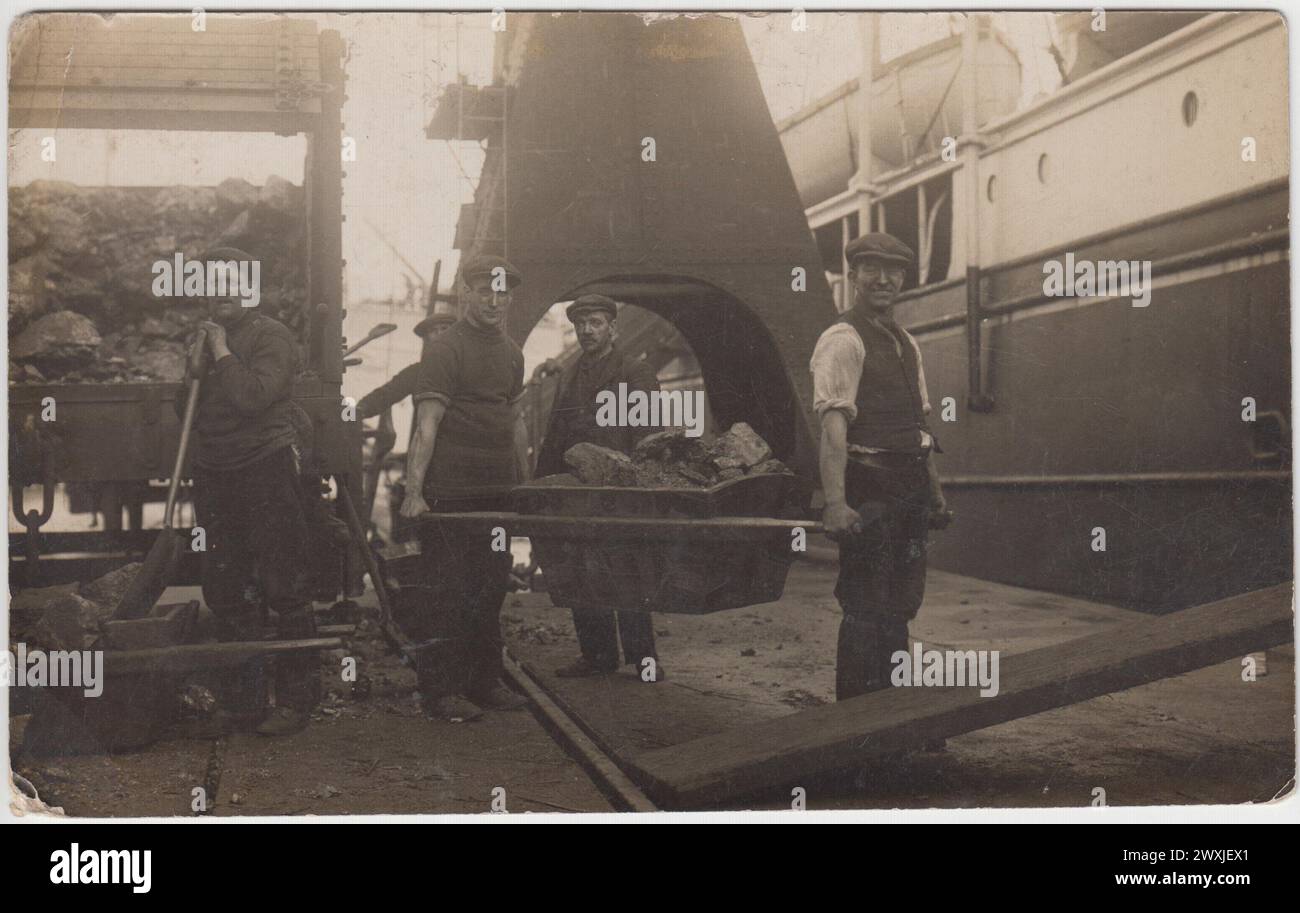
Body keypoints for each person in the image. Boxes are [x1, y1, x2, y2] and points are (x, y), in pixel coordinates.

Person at [810, 232, 951, 701]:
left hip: (908, 489)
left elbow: (918, 430)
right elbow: (833, 431)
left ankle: (890, 720)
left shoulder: (907, 343)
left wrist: (933, 492)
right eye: (872, 269)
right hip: (868, 489)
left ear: (904, 279)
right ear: (854, 275)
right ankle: (853, 732)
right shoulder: (843, 340)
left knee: (900, 606)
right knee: (866, 608)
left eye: (894, 271)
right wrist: (835, 504)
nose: (884, 279)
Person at [185, 246, 319, 736]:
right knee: (226, 587)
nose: (219, 293)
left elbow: (252, 398)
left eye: (228, 282)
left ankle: (295, 703)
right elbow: (191, 414)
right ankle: (243, 702)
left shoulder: (272, 335)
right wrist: (194, 367)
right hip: (216, 471)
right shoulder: (205, 341)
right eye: (209, 284)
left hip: (265, 467)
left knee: (284, 582)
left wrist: (220, 354)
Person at [399, 255, 531, 722]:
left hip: (496, 493)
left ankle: (485, 681)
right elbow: (426, 425)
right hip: (452, 492)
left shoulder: (513, 353)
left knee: (491, 587)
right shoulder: (446, 349)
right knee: (447, 592)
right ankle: (440, 690)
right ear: (467, 293)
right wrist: (415, 491)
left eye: (502, 293)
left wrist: (525, 485)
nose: (494, 301)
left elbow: (515, 424)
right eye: (484, 291)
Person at [535, 294, 663, 680]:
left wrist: (643, 488)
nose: (587, 331)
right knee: (582, 571)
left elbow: (649, 435)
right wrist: (541, 485)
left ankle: (644, 661)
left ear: (612, 328)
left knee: (628, 573)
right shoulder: (571, 375)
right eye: (581, 324)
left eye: (595, 323)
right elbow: (556, 435)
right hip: (578, 491)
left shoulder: (634, 371)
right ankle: (597, 655)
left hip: (622, 492)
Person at [356, 312, 458, 420]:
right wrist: (349, 414)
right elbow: (383, 396)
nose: (439, 334)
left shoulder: (467, 367)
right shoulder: (417, 372)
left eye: (444, 328)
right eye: (433, 330)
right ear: (426, 340)